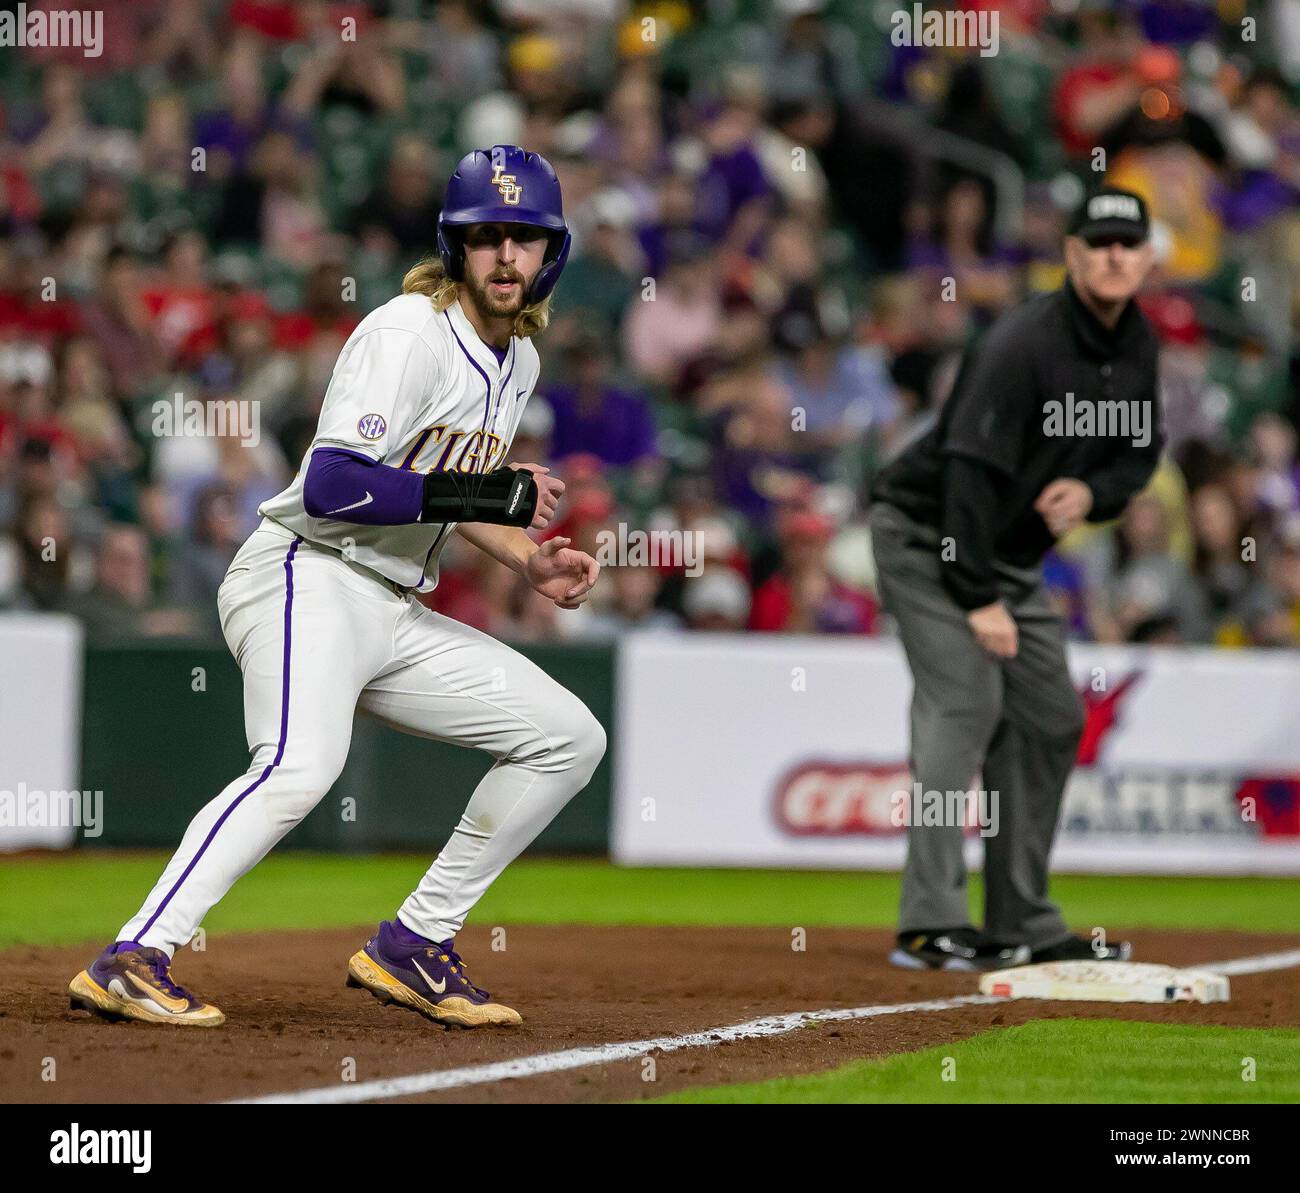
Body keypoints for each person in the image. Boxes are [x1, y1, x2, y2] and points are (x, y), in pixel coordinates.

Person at [69, 146, 606, 1028]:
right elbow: (332, 484)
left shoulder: (520, 366)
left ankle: (415, 942)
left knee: (567, 737)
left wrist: (522, 557)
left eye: (525, 238)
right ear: (455, 245)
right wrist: (484, 490)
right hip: (304, 572)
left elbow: (439, 481)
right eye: (487, 237)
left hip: (393, 605)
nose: (506, 255)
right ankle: (137, 953)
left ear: (551, 253)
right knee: (298, 764)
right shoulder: (406, 332)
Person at [869, 187, 1162, 971]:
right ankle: (928, 922)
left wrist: (1096, 492)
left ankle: (1018, 921)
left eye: (1126, 244)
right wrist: (979, 596)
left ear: (1146, 258)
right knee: (965, 699)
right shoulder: (1022, 341)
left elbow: (1138, 453)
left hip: (1010, 554)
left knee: (1053, 718)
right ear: (1070, 253)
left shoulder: (1139, 345)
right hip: (931, 539)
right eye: (1097, 242)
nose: (1112, 255)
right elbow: (966, 471)